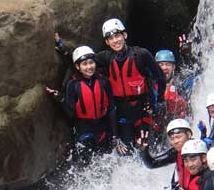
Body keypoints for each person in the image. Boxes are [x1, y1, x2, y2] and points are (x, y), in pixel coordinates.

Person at [94, 18, 166, 150]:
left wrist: (158, 101)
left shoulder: (141, 54)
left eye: (117, 36)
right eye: (111, 38)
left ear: (125, 35)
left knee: (145, 147)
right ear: (107, 42)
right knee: (127, 149)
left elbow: (160, 77)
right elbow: (84, 62)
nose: (115, 41)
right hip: (121, 111)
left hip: (142, 108)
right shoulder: (105, 57)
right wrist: (63, 48)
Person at [47, 45, 119, 161]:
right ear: (78, 67)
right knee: (87, 162)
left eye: (91, 63)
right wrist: (60, 98)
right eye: (84, 64)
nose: (89, 67)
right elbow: (70, 113)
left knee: (106, 160)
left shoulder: (104, 81)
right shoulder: (73, 85)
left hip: (103, 128)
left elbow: (111, 109)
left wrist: (115, 135)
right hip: (84, 129)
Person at [154, 49, 188, 122]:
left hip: (176, 123)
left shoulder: (180, 83)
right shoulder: (150, 84)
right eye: (161, 65)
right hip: (156, 122)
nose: (164, 68)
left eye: (168, 64)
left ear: (173, 67)